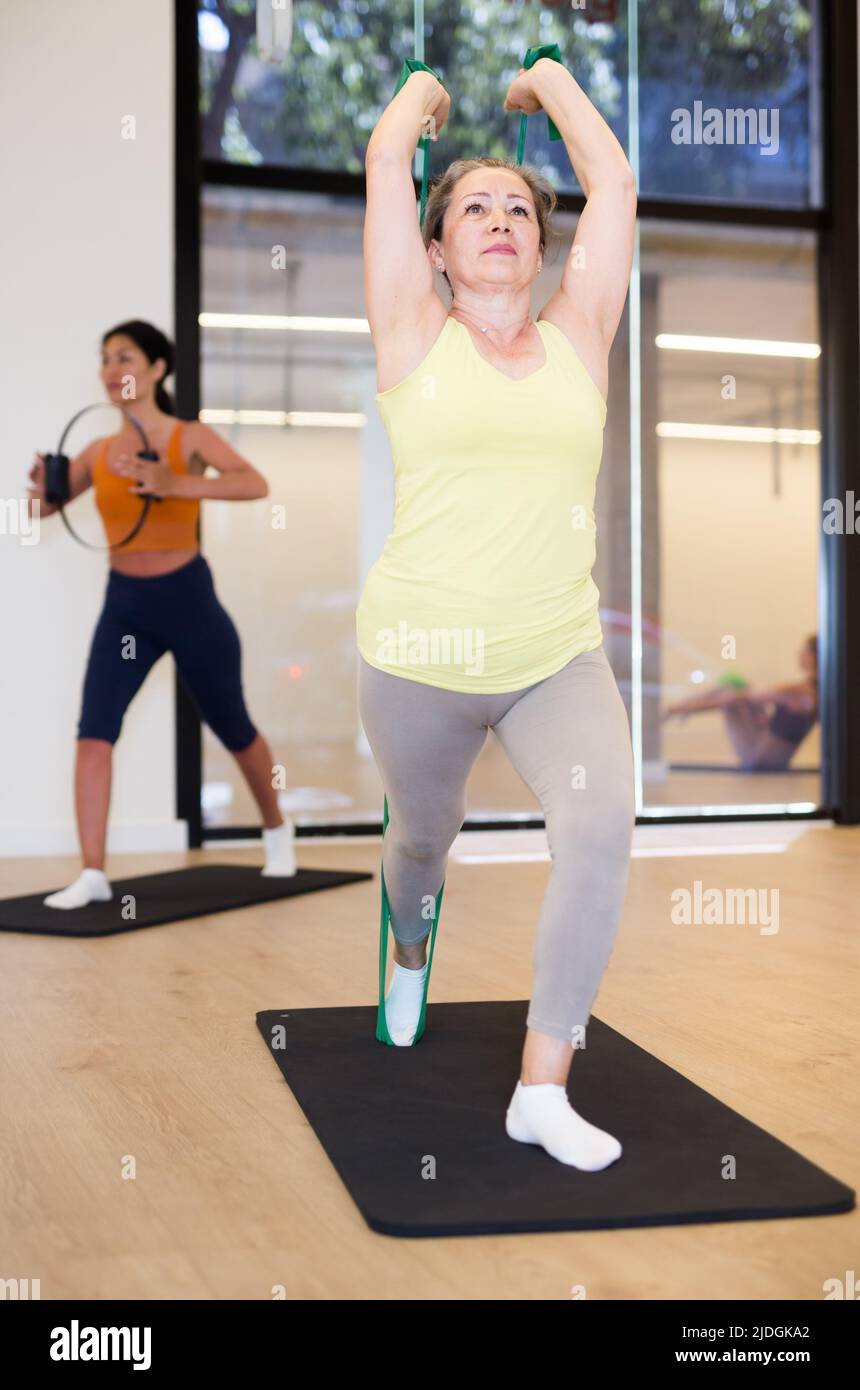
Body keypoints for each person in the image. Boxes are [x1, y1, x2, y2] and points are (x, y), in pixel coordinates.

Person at [357, 60, 637, 1170]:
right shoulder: (409, 332)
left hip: (552, 656)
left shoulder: (580, 333)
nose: (500, 219)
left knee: (599, 828)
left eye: (518, 207)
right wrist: (423, 96)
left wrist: (550, 84)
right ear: (434, 249)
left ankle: (540, 1085)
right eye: (473, 205)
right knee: (424, 840)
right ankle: (409, 945)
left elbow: (608, 182)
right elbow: (385, 159)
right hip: (418, 653)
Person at [27, 319, 296, 908]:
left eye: (124, 356)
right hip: (124, 607)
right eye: (104, 358)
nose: (111, 368)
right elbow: (39, 514)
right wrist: (38, 490)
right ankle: (93, 872)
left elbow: (254, 484)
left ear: (155, 368)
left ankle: (277, 829)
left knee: (234, 728)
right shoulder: (98, 452)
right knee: (94, 733)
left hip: (189, 600)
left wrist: (176, 483)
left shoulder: (187, 437)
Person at [661, 635, 819, 771]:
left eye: (804, 650)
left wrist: (690, 707)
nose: (800, 653)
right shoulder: (812, 690)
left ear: (812, 656)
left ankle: (676, 709)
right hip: (771, 756)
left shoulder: (801, 691)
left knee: (732, 693)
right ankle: (678, 709)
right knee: (735, 689)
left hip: (761, 759)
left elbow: (748, 696)